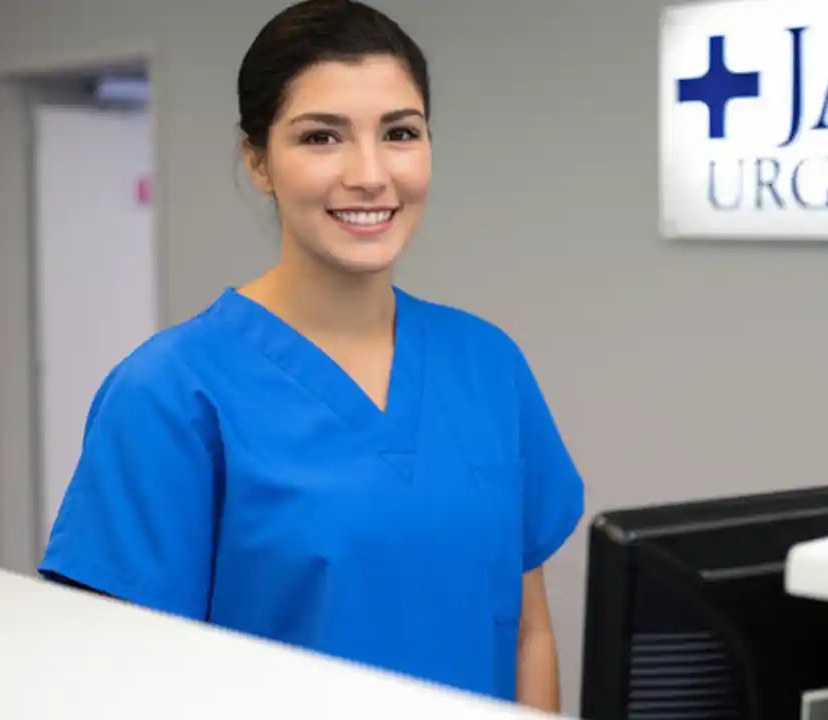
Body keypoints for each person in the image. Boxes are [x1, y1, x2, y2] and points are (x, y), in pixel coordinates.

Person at [36, 0, 584, 711]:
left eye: (400, 133)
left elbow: (527, 634)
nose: (370, 174)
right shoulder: (170, 393)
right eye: (322, 137)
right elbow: (117, 683)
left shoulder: (488, 365)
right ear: (257, 160)